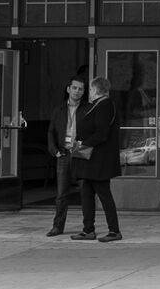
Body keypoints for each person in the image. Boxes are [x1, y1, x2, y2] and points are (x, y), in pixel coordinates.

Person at [69, 76, 122, 242]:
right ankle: (88, 230)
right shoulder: (97, 105)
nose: (89, 93)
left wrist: (82, 144)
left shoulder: (105, 105)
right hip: (91, 161)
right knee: (86, 194)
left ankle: (114, 231)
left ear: (97, 90)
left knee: (104, 195)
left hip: (99, 160)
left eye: (90, 89)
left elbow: (101, 133)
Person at [44, 74, 87, 237]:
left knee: (86, 192)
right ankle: (57, 226)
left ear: (84, 92)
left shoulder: (87, 109)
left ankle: (87, 227)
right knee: (62, 194)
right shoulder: (59, 109)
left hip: (81, 154)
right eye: (74, 88)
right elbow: (51, 132)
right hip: (63, 154)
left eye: (80, 89)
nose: (77, 91)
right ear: (68, 89)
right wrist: (54, 150)